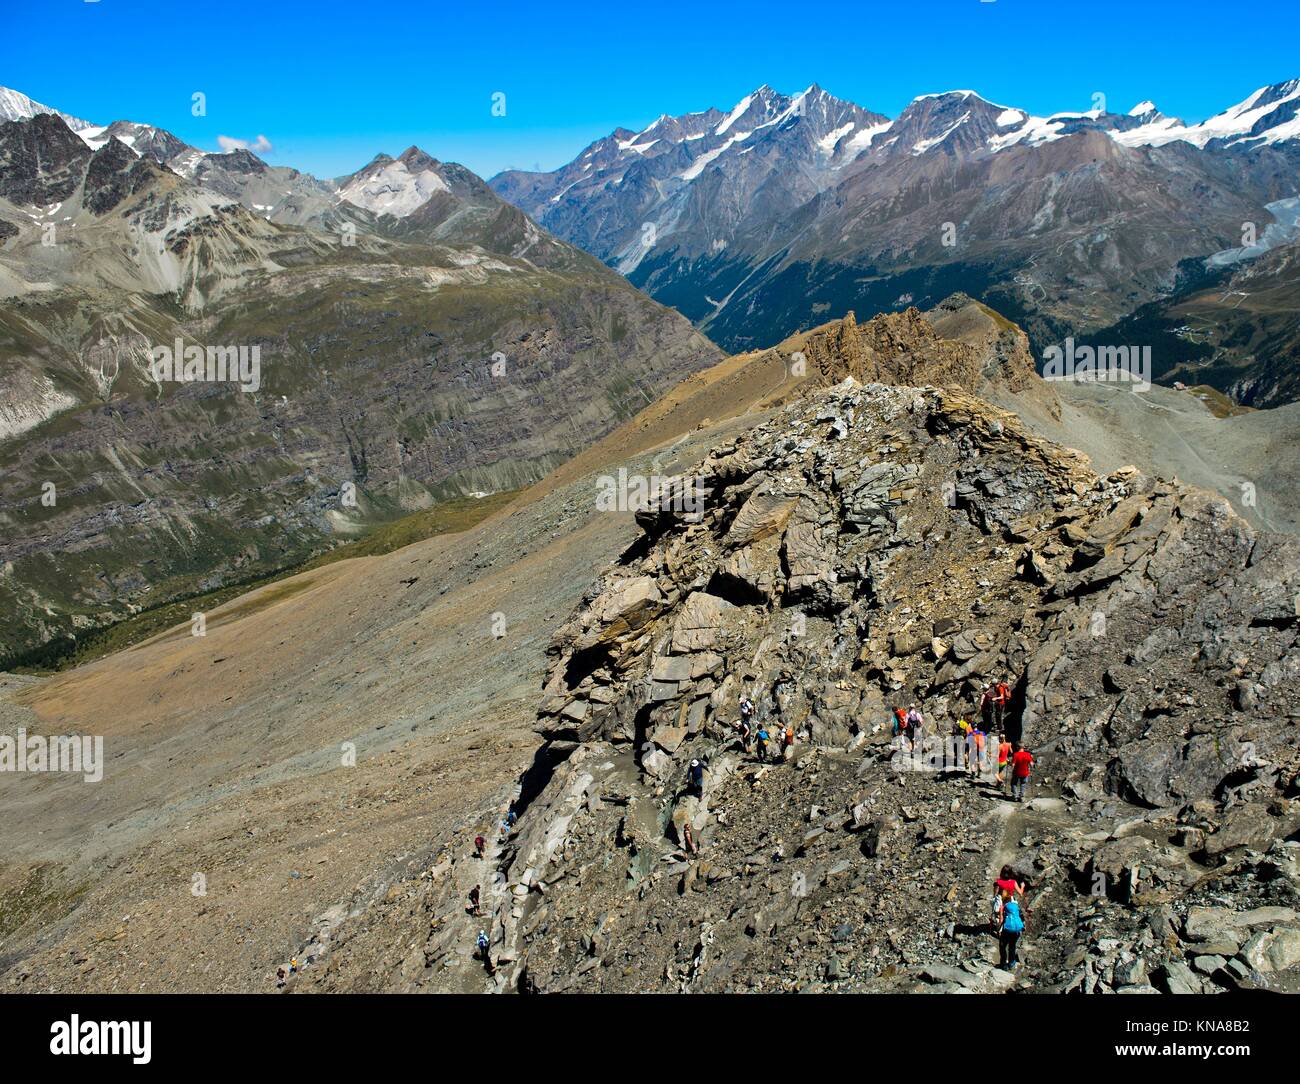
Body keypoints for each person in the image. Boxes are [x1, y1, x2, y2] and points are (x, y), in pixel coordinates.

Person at [998, 894, 1025, 969]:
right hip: (1016, 930)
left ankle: (1004, 964)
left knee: (1002, 946)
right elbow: (1022, 918)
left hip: (1007, 930)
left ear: (1003, 900)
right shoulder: (1016, 907)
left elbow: (1001, 920)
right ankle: (1011, 963)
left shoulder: (1004, 908)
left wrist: (998, 929)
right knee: (1012, 946)